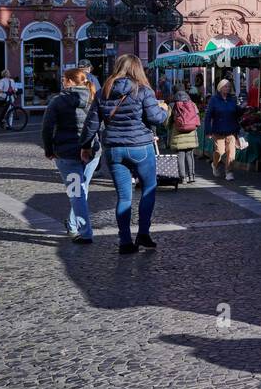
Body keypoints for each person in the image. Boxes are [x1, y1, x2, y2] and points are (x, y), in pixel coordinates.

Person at [98, 54, 167, 254]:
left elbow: (93, 122)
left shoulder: (104, 90)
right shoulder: (143, 90)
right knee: (148, 188)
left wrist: (86, 145)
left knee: (124, 197)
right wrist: (165, 110)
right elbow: (155, 118)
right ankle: (143, 233)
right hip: (140, 147)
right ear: (138, 69)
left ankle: (125, 241)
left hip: (113, 148)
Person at [41, 67, 101, 244]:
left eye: (64, 79)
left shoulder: (58, 101)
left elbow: (47, 128)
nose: (62, 81)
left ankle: (85, 232)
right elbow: (101, 126)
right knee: (82, 190)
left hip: (68, 155)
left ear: (71, 81)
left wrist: (49, 150)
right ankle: (73, 224)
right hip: (92, 153)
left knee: (76, 193)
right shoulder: (93, 98)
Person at [204, 79, 244, 180]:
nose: (228, 88)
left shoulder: (232, 99)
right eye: (225, 86)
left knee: (231, 153)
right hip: (218, 130)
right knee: (219, 152)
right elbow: (208, 115)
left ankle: (229, 172)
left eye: (229, 86)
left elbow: (237, 112)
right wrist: (208, 131)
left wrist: (241, 108)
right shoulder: (214, 99)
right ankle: (215, 165)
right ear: (220, 88)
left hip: (231, 129)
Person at [166, 89, 201, 184]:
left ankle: (183, 177)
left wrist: (170, 126)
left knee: (180, 156)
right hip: (191, 133)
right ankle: (191, 176)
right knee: (190, 155)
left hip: (178, 134)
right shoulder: (192, 104)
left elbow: (167, 122)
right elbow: (197, 119)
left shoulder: (172, 105)